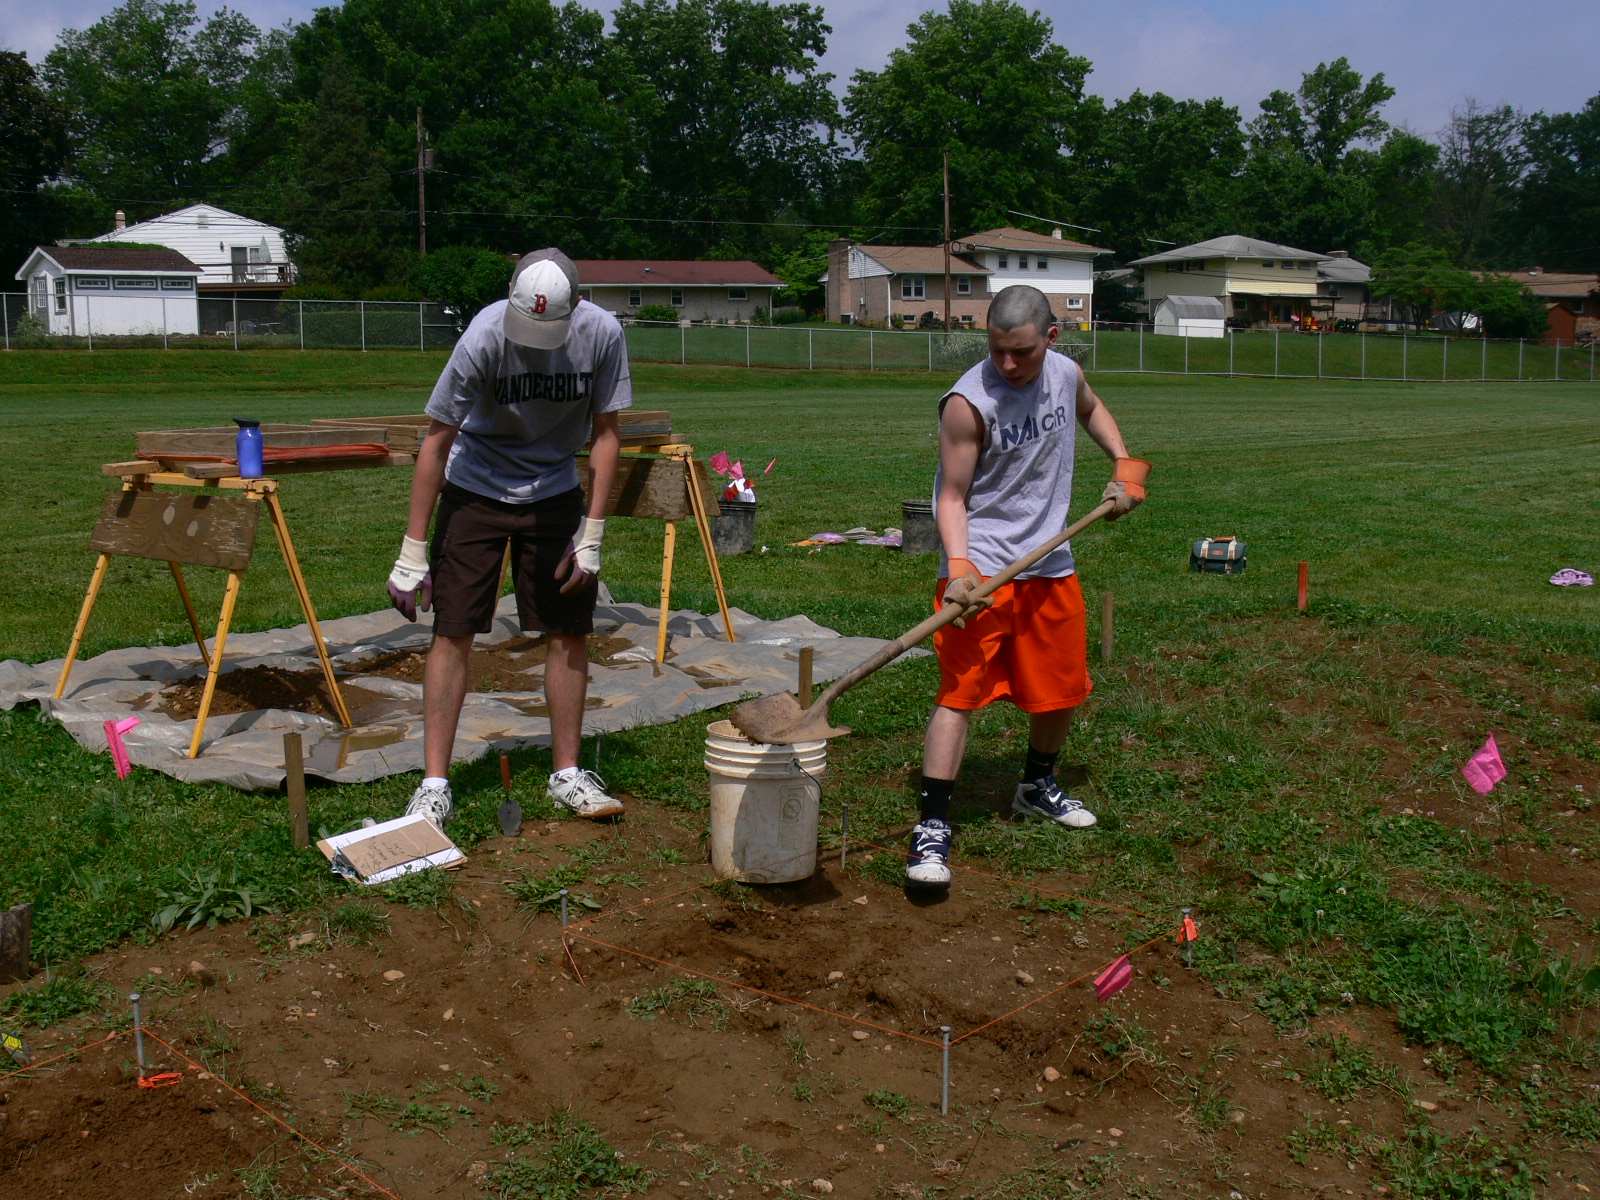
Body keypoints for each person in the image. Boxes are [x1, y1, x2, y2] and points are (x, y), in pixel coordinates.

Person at [906, 284, 1148, 888]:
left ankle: (1037, 785)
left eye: (1022, 353)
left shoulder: (1065, 373)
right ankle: (932, 827)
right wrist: (960, 568)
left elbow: (1091, 408)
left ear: (1052, 338)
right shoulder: (968, 402)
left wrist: (1122, 464)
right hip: (980, 567)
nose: (1008, 364)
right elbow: (952, 496)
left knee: (1061, 688)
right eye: (997, 350)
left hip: (1049, 562)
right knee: (960, 692)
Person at [386, 248, 629, 826]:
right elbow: (437, 441)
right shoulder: (483, 335)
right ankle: (435, 784)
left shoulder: (602, 334)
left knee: (568, 630)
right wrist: (412, 551)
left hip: (554, 492)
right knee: (453, 630)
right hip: (474, 491)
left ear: (575, 307)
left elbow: (606, 434)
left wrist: (591, 534)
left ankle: (567, 774)